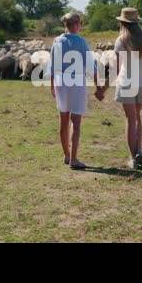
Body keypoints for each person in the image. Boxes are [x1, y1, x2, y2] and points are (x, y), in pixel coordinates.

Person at [99, 8, 142, 170]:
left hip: (128, 83)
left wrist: (103, 89)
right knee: (137, 117)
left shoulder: (122, 40)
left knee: (131, 120)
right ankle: (140, 151)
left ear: (122, 23)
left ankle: (133, 157)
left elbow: (116, 69)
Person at [50, 12, 103, 170]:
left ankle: (66, 155)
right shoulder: (81, 41)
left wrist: (52, 85)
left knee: (63, 120)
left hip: (61, 82)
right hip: (76, 83)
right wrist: (98, 86)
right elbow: (91, 65)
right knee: (76, 122)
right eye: (80, 23)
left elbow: (53, 65)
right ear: (77, 24)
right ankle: (74, 159)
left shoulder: (57, 41)